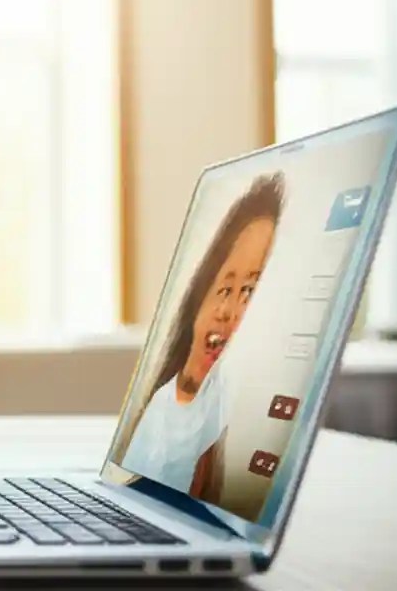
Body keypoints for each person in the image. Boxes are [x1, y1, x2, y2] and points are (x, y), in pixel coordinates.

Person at [120, 173, 285, 501]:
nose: (230, 311)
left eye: (250, 291)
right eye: (225, 287)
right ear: (200, 294)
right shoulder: (163, 407)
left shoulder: (229, 405)